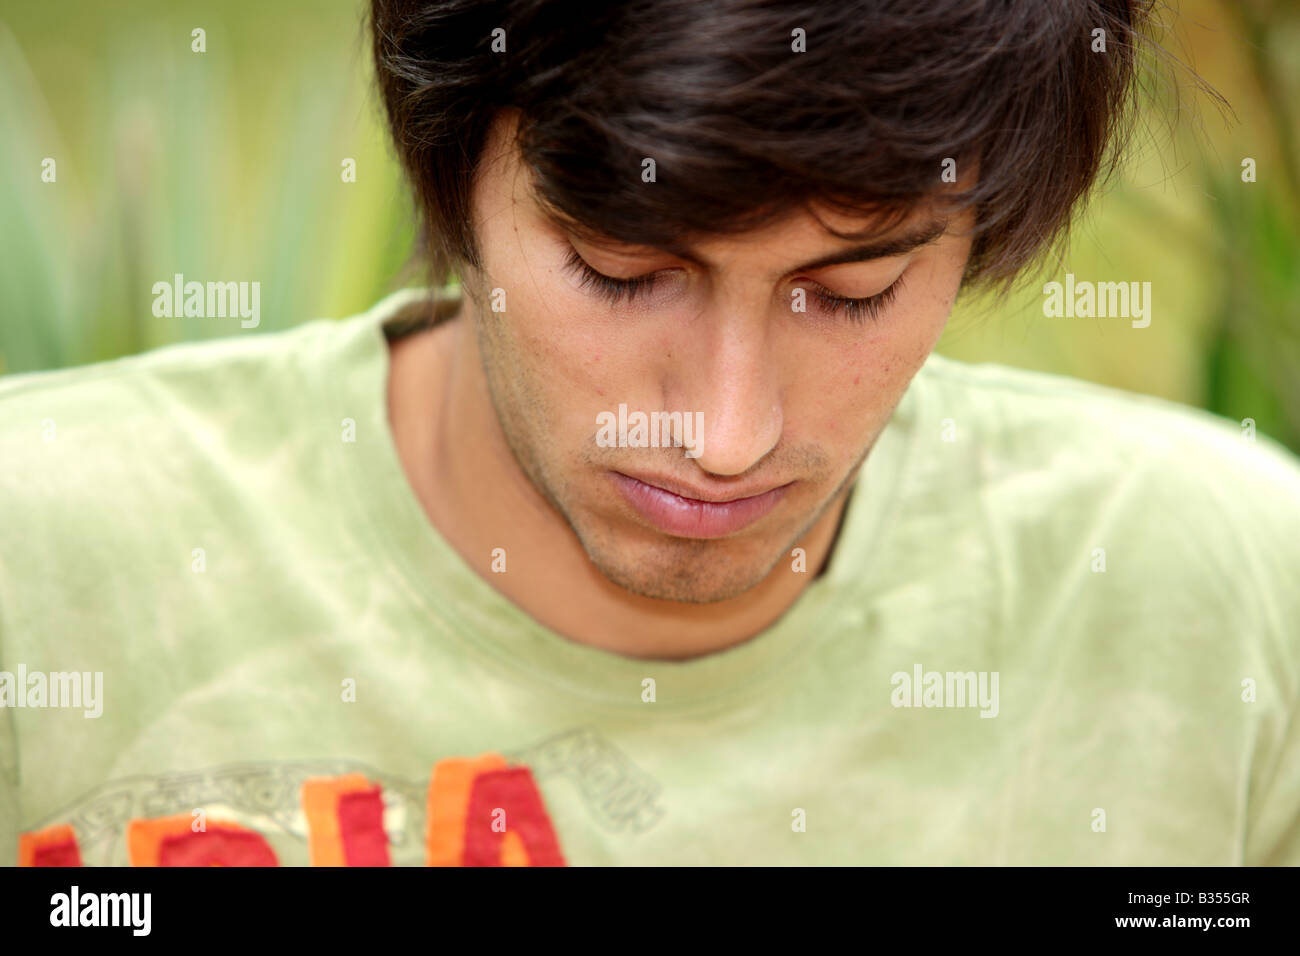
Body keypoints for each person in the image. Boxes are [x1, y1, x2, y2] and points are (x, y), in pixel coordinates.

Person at [2, 0, 1297, 867]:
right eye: (621, 271)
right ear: (452, 172)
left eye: (851, 295)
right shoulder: (43, 563)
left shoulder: (1227, 601)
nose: (728, 435)